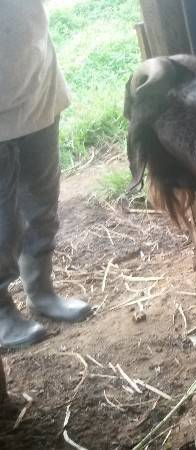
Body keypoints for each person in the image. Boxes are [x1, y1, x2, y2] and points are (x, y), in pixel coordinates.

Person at [0, 1, 91, 347]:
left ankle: (41, 290)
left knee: (42, 199)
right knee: (2, 221)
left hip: (36, 81)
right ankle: (0, 310)